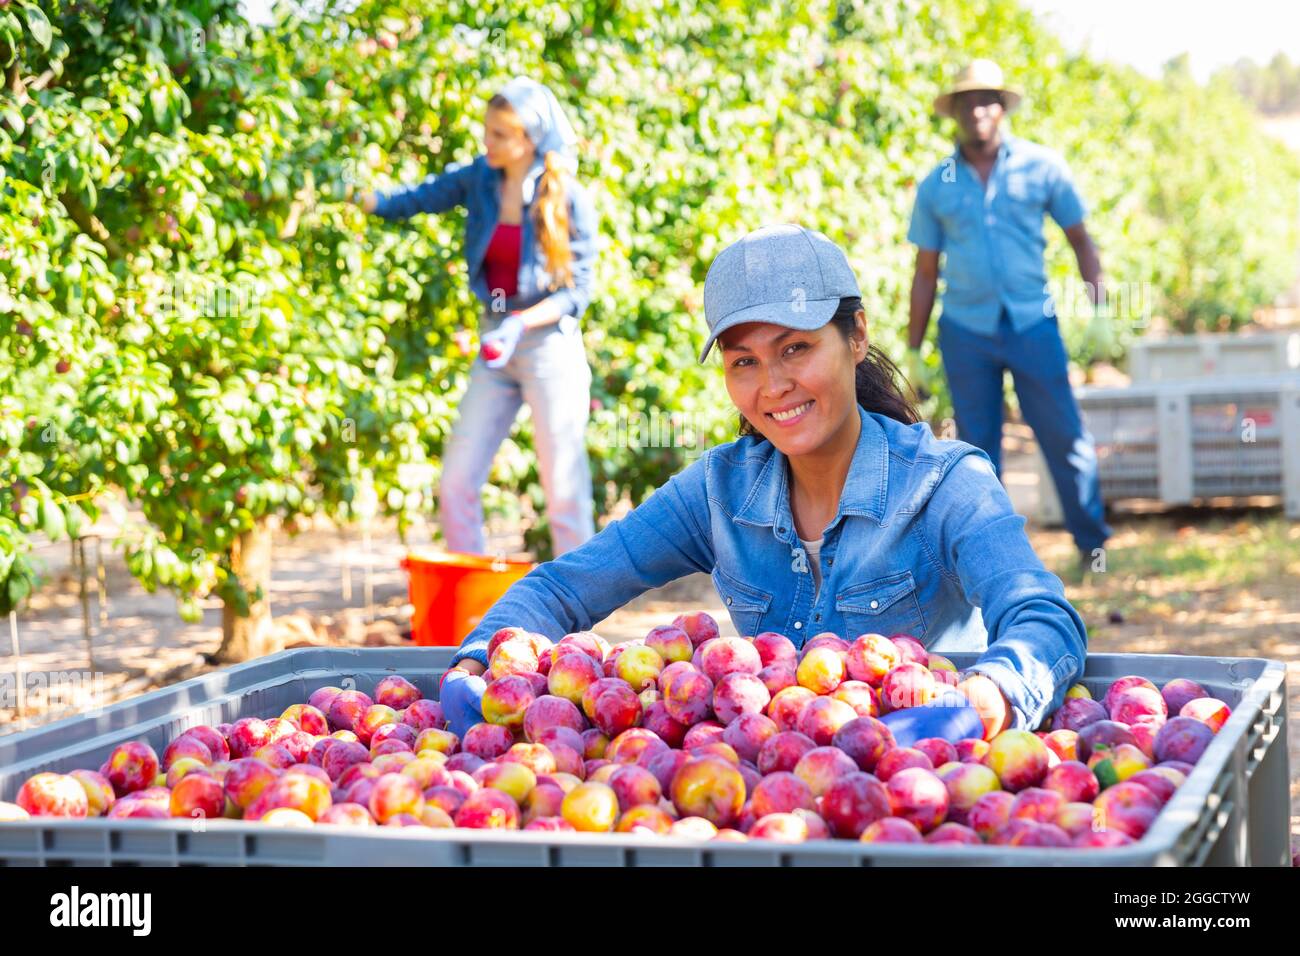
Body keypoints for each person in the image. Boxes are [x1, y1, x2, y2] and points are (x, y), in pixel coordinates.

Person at [440, 224, 1088, 745]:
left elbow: (1042, 620)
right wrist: (477, 666)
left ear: (855, 335)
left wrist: (979, 704)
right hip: (777, 795)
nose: (772, 386)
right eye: (743, 362)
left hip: (921, 792)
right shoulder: (718, 493)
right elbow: (562, 588)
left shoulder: (946, 486)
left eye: (795, 349)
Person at [357, 77, 599, 557]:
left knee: (565, 495)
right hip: (495, 344)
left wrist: (520, 323)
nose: (487, 143)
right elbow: (418, 197)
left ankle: (584, 622)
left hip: (548, 345)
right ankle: (474, 615)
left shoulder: (567, 196)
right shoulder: (481, 179)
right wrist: (363, 199)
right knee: (456, 484)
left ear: (529, 140)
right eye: (487, 131)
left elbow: (579, 290)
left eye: (500, 135)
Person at [904, 59, 1113, 568]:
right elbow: (926, 271)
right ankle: (994, 558)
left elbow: (1080, 240)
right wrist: (912, 348)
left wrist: (1101, 307)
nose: (977, 109)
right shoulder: (938, 184)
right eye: (967, 101)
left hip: (1031, 323)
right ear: (953, 111)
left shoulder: (1042, 167)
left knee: (1063, 433)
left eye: (987, 99)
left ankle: (1092, 547)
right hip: (965, 330)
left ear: (1002, 107)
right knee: (977, 451)